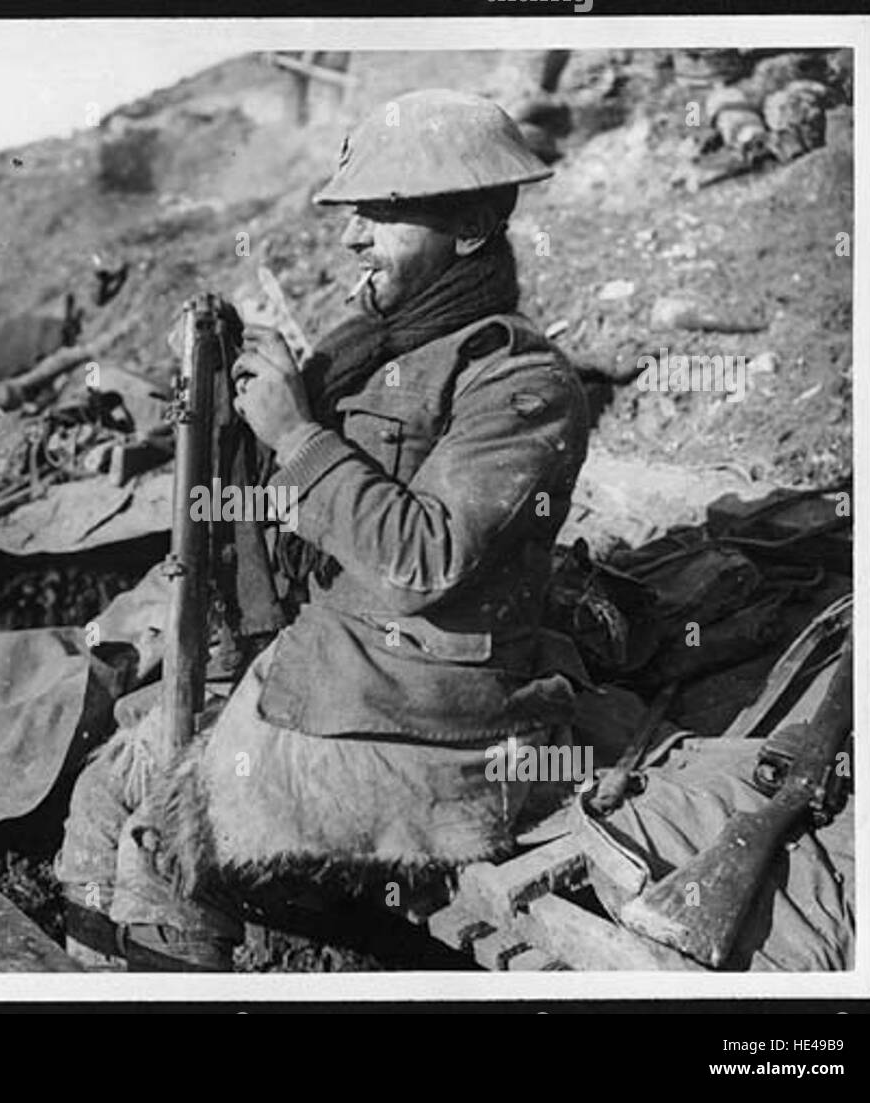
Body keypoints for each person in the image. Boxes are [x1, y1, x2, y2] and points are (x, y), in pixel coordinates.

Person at [55, 89, 592, 970]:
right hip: (322, 665)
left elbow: (427, 556)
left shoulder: (519, 381)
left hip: (419, 719)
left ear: (468, 228)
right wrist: (235, 388)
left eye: (381, 214)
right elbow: (287, 516)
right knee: (101, 795)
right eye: (354, 215)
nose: (350, 238)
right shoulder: (373, 348)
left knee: (163, 849)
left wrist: (298, 436)